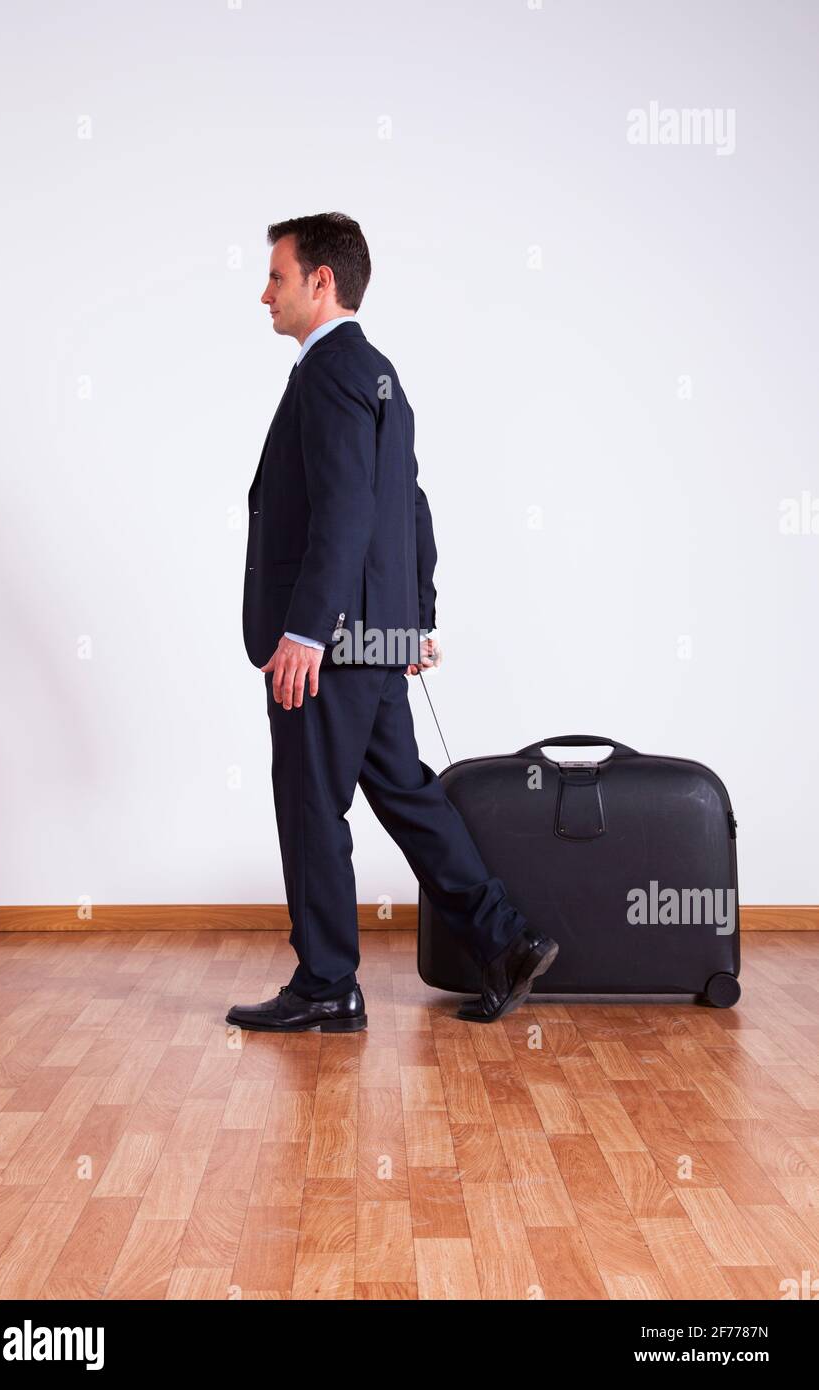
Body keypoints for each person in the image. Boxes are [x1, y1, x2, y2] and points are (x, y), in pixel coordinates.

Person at [226, 212, 558, 1034]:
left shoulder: (331, 371)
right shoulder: (378, 373)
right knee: (406, 793)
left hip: (328, 643)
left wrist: (306, 631)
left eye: (276, 276)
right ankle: (506, 941)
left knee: (311, 805)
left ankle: (327, 984)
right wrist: (410, 621)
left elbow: (346, 509)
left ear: (320, 282)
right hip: (370, 634)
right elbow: (407, 505)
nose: (264, 293)